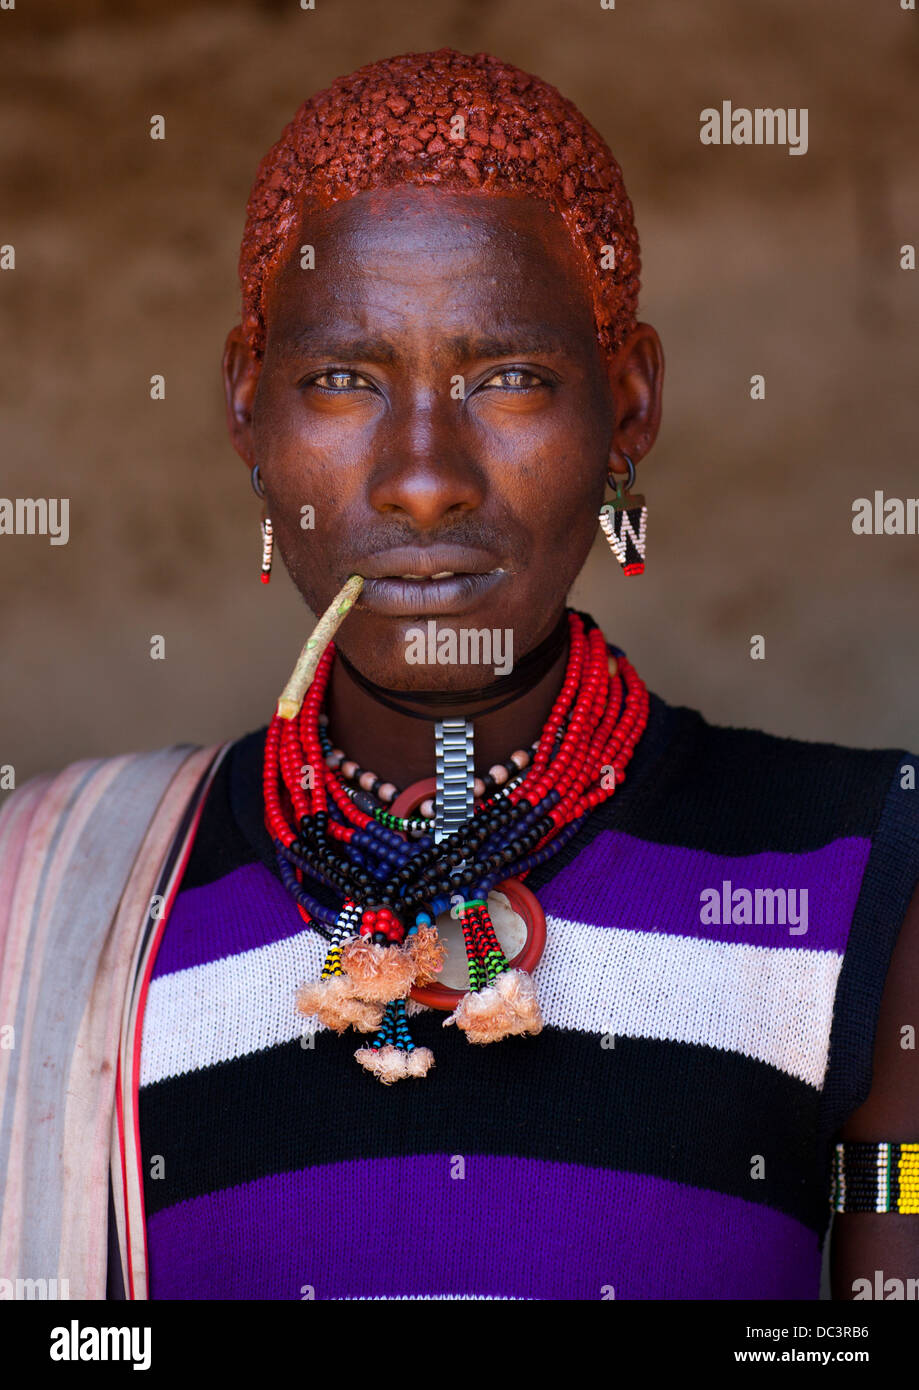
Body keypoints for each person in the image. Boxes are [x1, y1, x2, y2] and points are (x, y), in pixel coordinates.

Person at [1, 47, 917, 1303]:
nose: (424, 476)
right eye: (341, 380)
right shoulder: (61, 904)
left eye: (508, 379)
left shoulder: (862, 875)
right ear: (244, 411)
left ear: (629, 404)